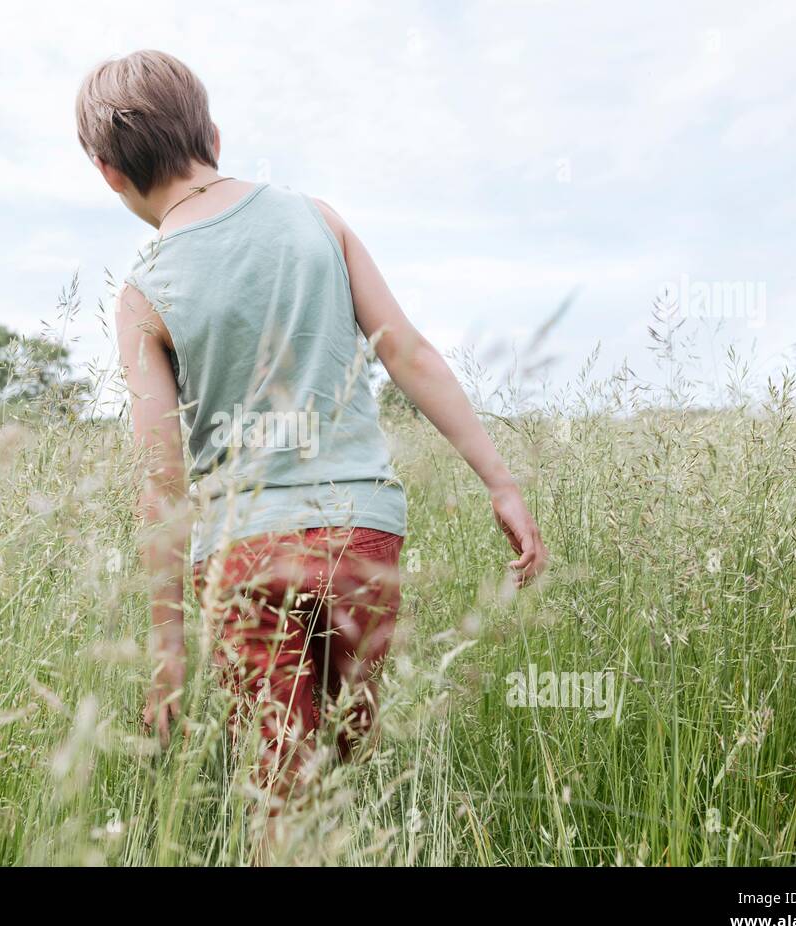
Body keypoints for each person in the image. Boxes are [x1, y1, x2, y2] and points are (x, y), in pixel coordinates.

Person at [75, 49, 548, 821]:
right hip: (360, 538)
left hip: (242, 553)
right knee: (341, 764)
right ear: (214, 137)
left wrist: (165, 646)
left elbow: (159, 481)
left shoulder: (142, 294)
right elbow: (408, 354)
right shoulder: (315, 219)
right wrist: (499, 481)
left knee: (282, 791)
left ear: (108, 173)